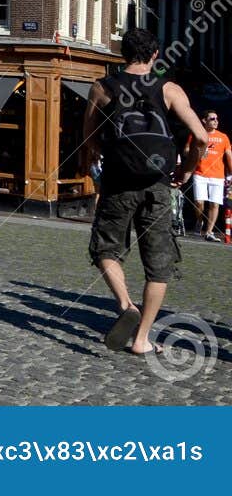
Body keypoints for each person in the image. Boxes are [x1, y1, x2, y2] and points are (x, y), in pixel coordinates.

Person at [82, 28, 210, 356]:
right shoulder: (168, 88)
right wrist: (187, 169)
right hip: (158, 184)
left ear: (122, 54)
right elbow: (201, 137)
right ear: (155, 55)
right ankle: (141, 339)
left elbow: (89, 142)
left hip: (118, 181)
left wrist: (95, 165)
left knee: (106, 250)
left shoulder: (102, 88)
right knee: (158, 265)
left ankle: (126, 305)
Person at [191, 109, 230, 240]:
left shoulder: (223, 137)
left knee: (214, 204)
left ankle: (209, 232)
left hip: (218, 175)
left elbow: (229, 156)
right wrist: (198, 152)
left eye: (216, 119)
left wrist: (230, 175)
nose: (215, 121)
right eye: (212, 119)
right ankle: (199, 221)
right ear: (204, 121)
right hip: (199, 173)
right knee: (199, 202)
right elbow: (186, 150)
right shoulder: (197, 134)